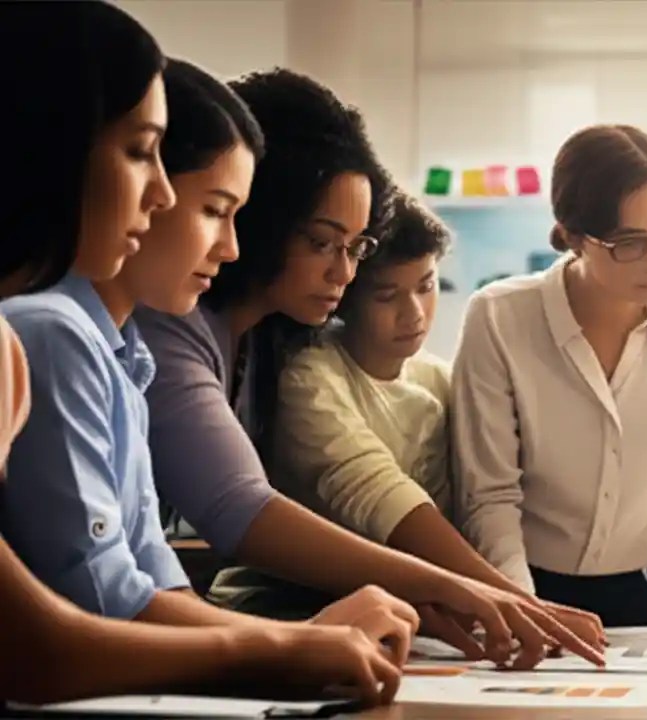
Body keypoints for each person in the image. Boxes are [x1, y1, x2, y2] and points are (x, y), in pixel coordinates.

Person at [133, 66, 603, 668]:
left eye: (356, 248)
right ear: (265, 220)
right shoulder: (170, 327)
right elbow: (240, 508)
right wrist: (457, 586)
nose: (344, 274)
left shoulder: (272, 341)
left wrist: (444, 590)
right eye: (322, 243)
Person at [0, 3, 401, 706]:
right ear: (51, 143)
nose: (156, 194)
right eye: (139, 150)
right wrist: (288, 644)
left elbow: (146, 589)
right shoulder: (44, 334)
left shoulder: (124, 360)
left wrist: (298, 640)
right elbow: (47, 640)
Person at [270, 190, 604, 645]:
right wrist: (519, 604)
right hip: (295, 612)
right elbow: (382, 496)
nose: (413, 313)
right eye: (387, 296)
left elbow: (485, 495)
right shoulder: (311, 377)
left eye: (426, 287)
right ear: (348, 296)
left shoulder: (441, 381)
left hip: (416, 616)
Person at [454, 124, 647, 627]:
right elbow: (489, 495)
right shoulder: (499, 317)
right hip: (520, 587)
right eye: (629, 243)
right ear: (575, 237)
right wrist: (527, 611)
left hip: (631, 595)